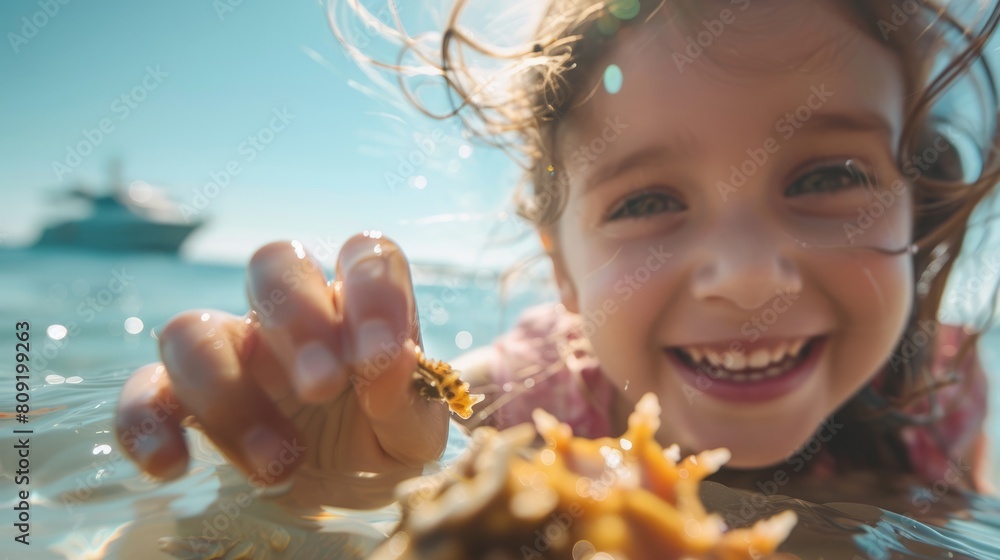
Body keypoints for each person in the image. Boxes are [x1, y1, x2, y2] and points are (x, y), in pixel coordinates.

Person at [115, 0, 1000, 510]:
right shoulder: (519, 412)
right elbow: (403, 436)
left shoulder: (943, 387)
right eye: (649, 201)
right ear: (564, 268)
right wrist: (317, 478)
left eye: (830, 176)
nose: (747, 276)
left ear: (918, 205)